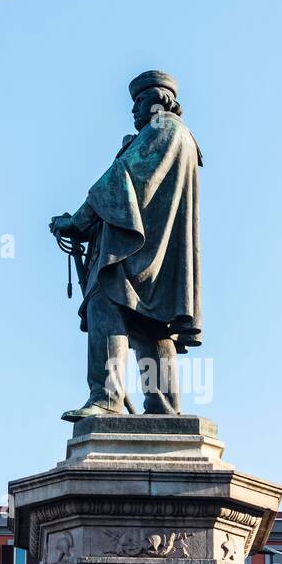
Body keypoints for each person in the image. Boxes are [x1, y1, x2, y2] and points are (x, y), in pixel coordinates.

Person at [49, 70, 202, 420]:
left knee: (106, 303)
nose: (133, 110)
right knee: (151, 323)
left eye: (139, 101)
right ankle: (163, 407)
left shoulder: (163, 129)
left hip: (133, 248)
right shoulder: (179, 136)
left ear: (159, 100)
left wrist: (78, 220)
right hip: (157, 252)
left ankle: (107, 397)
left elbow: (124, 179)